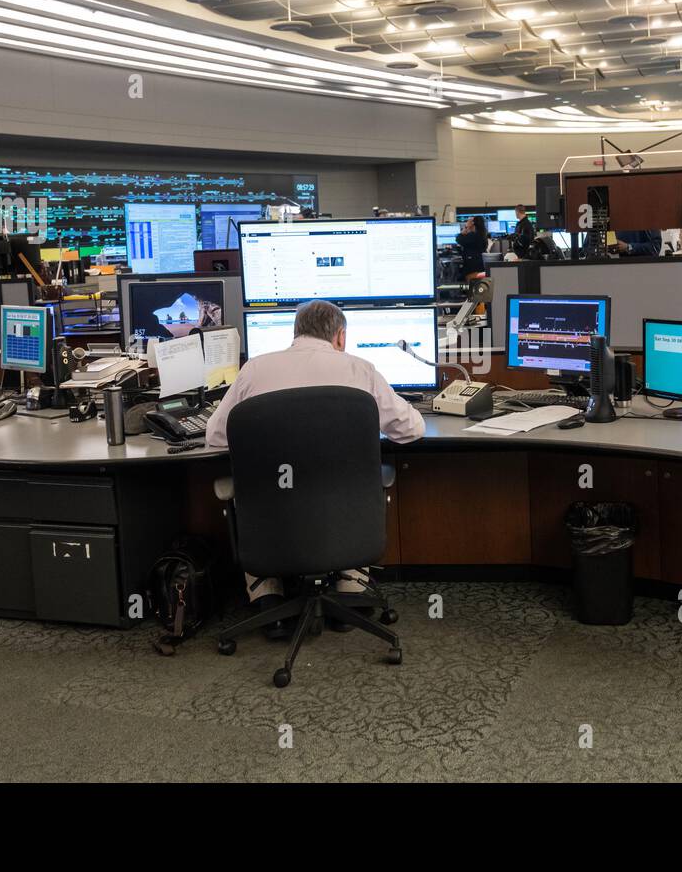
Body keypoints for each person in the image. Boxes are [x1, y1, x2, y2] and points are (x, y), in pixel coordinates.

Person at [205, 299, 425, 636]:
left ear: (294, 334)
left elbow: (216, 437)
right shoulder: (359, 369)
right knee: (352, 482)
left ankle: (270, 603)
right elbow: (411, 431)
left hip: (273, 515)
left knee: (254, 485)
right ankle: (349, 594)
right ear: (340, 337)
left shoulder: (254, 369)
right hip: (344, 514)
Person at [456, 214, 490, 280]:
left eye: (468, 221)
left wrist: (464, 229)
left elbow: (458, 239)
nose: (466, 222)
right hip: (479, 266)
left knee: (457, 277)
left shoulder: (473, 236)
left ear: (472, 223)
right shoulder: (482, 234)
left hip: (472, 269)